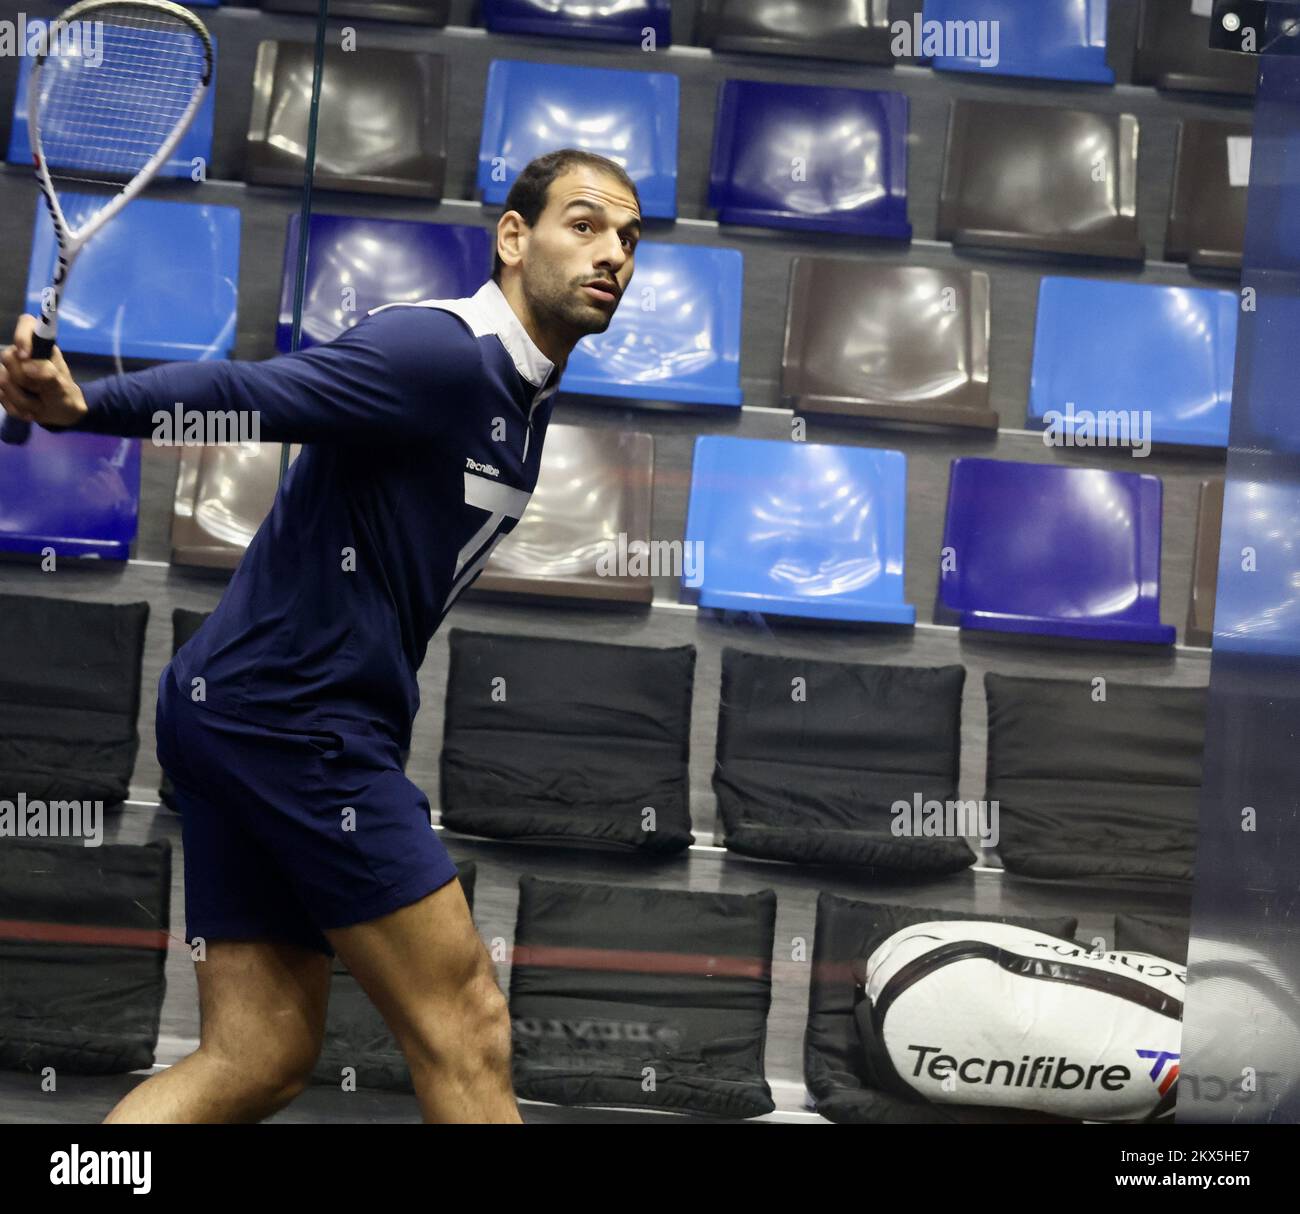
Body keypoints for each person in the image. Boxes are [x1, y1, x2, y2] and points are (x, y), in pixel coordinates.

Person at [0, 147, 642, 1124]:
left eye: (629, 239)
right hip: (297, 719)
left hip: (247, 710)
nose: (613, 254)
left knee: (257, 1053)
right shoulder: (439, 352)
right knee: (466, 1026)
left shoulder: (520, 388)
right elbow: (261, 393)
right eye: (585, 224)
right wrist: (91, 404)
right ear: (512, 237)